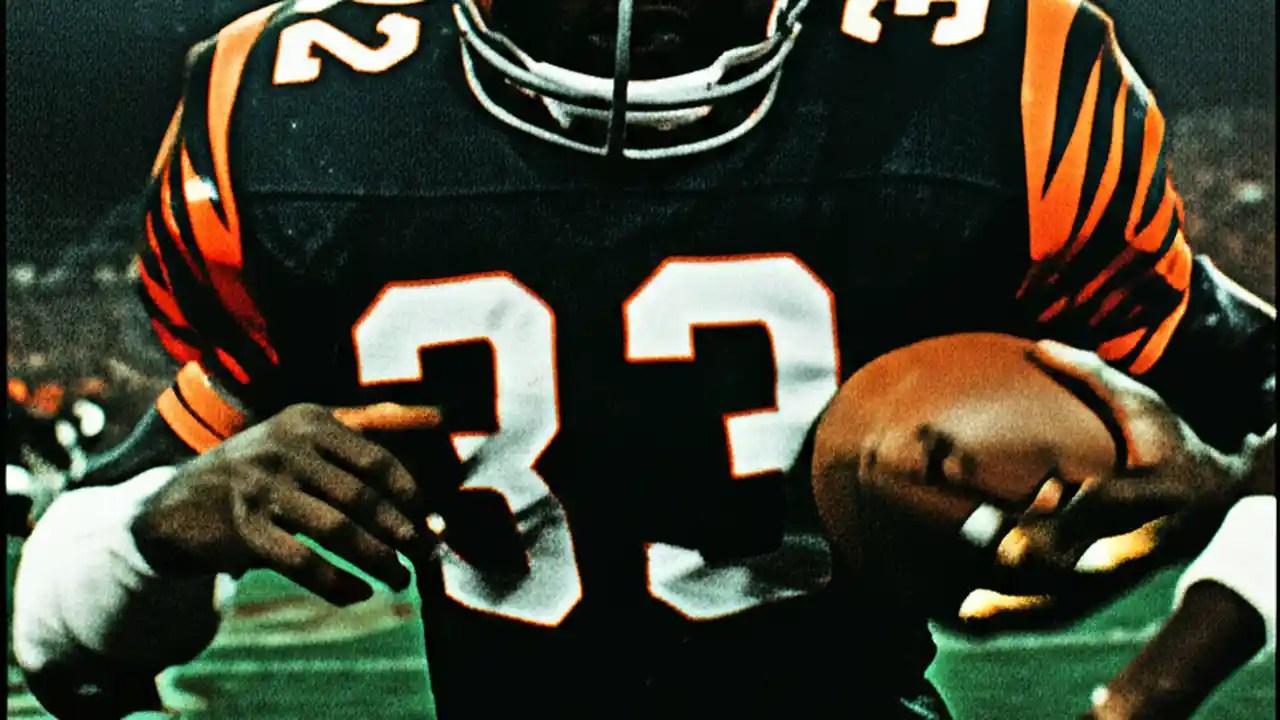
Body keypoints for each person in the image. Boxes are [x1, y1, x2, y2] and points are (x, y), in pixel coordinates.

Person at [12, 0, 1275, 717]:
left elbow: (1259, 420)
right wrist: (159, 527)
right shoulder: (286, 123)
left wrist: (1168, 649)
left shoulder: (995, 89)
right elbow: (56, 646)